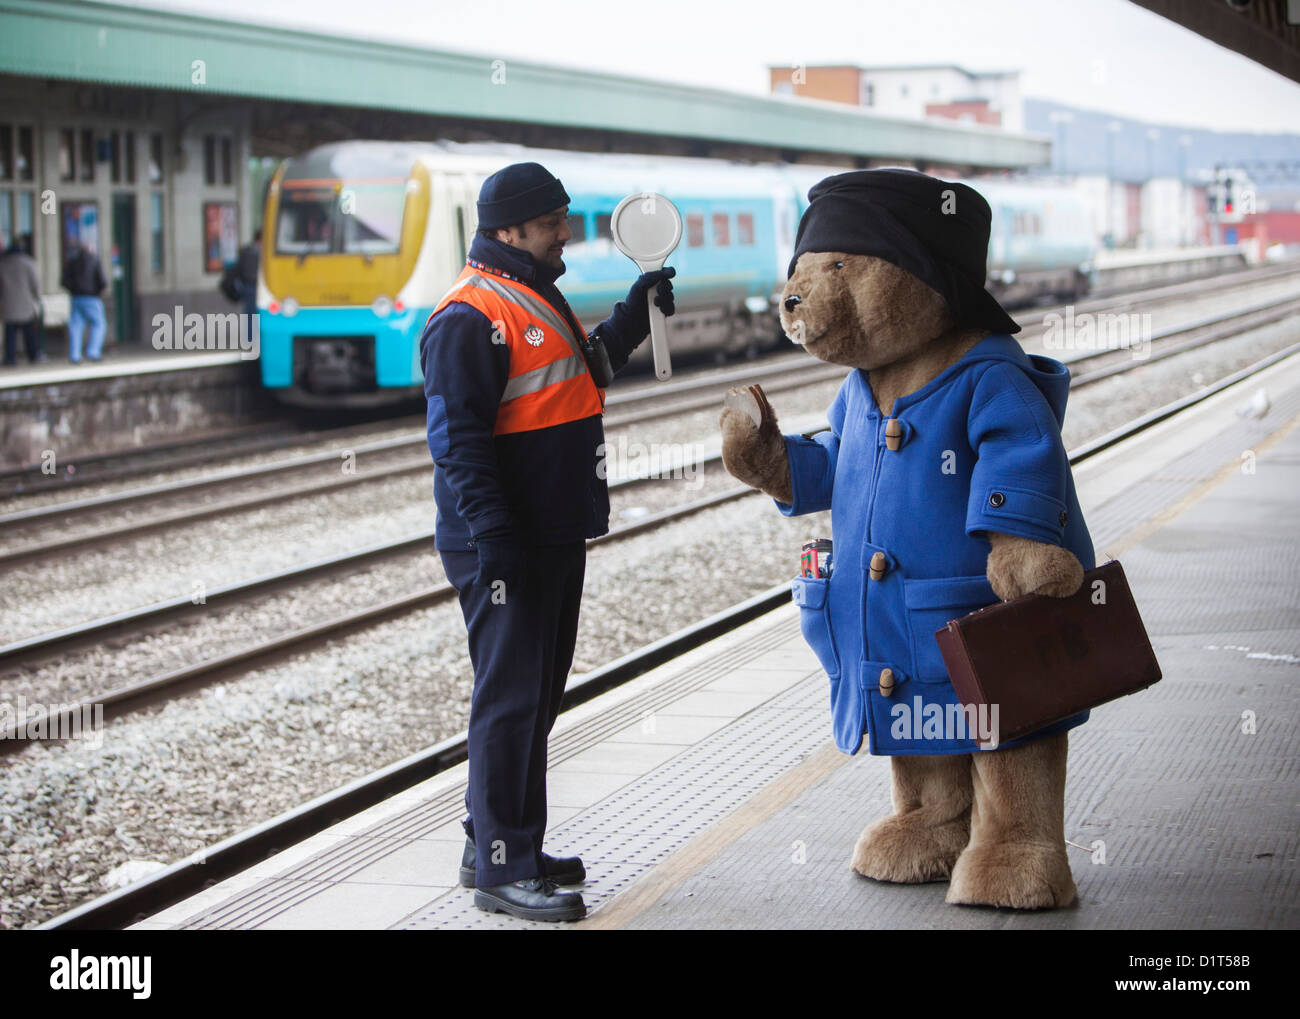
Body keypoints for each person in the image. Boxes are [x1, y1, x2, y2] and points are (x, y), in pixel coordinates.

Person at [420, 162, 675, 923]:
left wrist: (633, 315)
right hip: (506, 545)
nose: (565, 230)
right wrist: (493, 536)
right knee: (509, 703)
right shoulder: (469, 316)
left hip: (552, 533)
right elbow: (455, 441)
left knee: (534, 700)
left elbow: (580, 375)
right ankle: (505, 869)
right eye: (553, 220)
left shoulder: (534, 295)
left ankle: (495, 843)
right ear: (509, 231)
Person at [61, 240, 108, 363]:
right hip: (92, 298)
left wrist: (73, 289)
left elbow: (64, 281)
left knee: (76, 326)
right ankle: (93, 352)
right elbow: (103, 282)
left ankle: (75, 355)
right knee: (98, 324)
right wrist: (96, 292)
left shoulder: (72, 262)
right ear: (90, 250)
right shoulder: (94, 261)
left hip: (76, 298)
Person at [0, 237, 45, 365]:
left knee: (10, 333)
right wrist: (37, 297)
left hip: (8, 302)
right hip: (25, 302)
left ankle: (10, 359)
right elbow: (35, 283)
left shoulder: (3, 264)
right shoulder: (29, 263)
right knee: (29, 332)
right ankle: (33, 355)